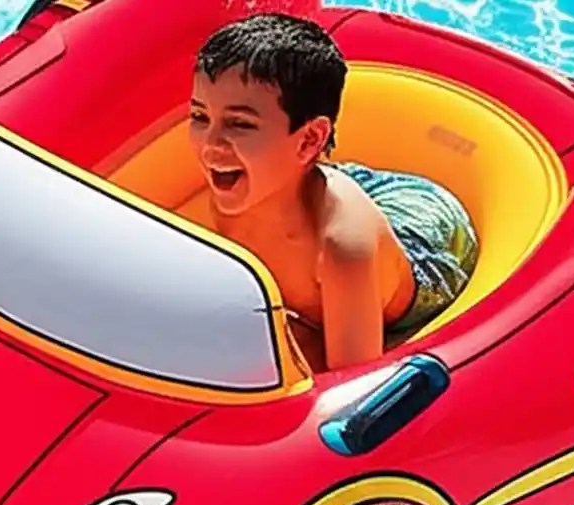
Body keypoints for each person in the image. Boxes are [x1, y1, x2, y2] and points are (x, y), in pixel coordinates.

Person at [187, 12, 478, 372]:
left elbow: (348, 387)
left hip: (426, 231)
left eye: (240, 124)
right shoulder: (234, 181)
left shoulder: (342, 250)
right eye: (200, 117)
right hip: (319, 184)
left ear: (309, 139)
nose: (210, 145)